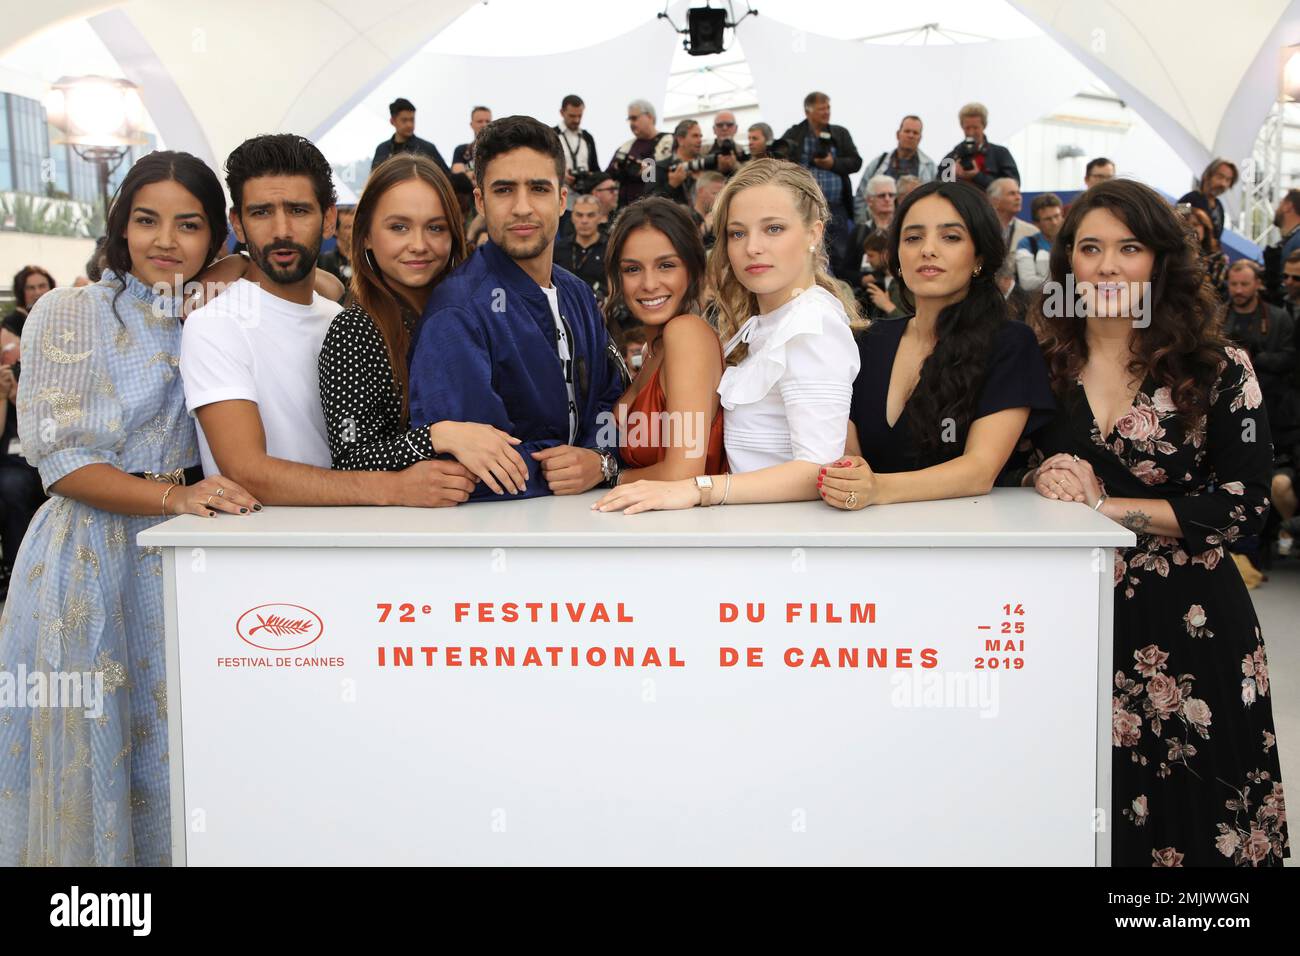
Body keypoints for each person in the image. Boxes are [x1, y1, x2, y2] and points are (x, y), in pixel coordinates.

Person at [0, 150, 258, 867]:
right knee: (92, 745)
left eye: (189, 225)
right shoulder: (70, 309)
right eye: (146, 220)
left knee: (169, 748)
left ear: (217, 237)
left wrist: (235, 275)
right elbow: (63, 463)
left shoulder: (203, 309)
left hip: (181, 554)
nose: (165, 241)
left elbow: (318, 282)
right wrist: (174, 495)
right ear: (119, 225)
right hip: (89, 557)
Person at [1028, 177, 1289, 867]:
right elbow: (994, 472)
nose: (1108, 265)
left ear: (1160, 263)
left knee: (1201, 821)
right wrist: (1037, 477)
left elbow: (1243, 505)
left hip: (1194, 626)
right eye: (1091, 248)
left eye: (1129, 247)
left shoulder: (1218, 367)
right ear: (1069, 266)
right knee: (1080, 814)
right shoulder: (1039, 366)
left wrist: (1105, 510)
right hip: (1067, 621)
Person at [181, 134, 474, 507]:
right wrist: (396, 488)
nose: (282, 230)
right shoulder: (215, 323)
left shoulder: (338, 315)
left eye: (299, 210)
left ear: (329, 219)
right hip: (266, 550)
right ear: (237, 224)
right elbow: (246, 471)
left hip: (361, 540)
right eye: (261, 212)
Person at [594, 159, 860, 514]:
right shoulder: (762, 326)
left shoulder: (813, 323)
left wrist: (698, 488)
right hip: (746, 530)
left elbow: (820, 470)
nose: (752, 247)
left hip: (779, 540)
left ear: (813, 233)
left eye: (774, 229)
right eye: (738, 233)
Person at [409, 115, 624, 501]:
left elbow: (610, 397)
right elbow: (474, 466)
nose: (522, 207)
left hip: (590, 520)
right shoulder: (458, 310)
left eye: (538, 188)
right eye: (505, 189)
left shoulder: (577, 293)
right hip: (501, 538)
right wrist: (566, 471)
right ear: (480, 200)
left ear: (561, 200)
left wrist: (600, 458)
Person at [819, 179, 1053, 511]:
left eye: (950, 237)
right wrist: (849, 476)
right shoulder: (867, 342)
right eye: (913, 237)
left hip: (966, 545)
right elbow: (850, 454)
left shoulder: (1009, 343)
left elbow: (979, 472)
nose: (928, 249)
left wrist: (877, 488)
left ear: (979, 258)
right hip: (867, 539)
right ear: (897, 258)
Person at [315, 155, 526, 496]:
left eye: (435, 227)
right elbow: (350, 457)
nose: (419, 244)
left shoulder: (483, 312)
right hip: (406, 537)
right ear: (366, 235)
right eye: (399, 227)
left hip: (507, 518)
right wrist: (440, 436)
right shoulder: (354, 331)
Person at [600, 197, 724, 481]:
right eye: (632, 269)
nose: (649, 283)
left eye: (666, 265)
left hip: (686, 523)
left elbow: (683, 472)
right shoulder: (653, 350)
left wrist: (604, 473)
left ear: (692, 270)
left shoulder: (686, 333)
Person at [779, 92, 862, 279]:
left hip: (837, 206)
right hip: (806, 207)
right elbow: (781, 163)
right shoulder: (794, 135)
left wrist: (833, 164)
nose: (826, 112)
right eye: (821, 109)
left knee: (841, 254)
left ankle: (844, 291)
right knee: (810, 252)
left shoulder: (839, 133)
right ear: (807, 112)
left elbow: (856, 162)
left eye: (828, 108)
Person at [854, 116, 936, 224]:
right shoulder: (878, 163)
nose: (911, 135)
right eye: (907, 131)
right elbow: (861, 196)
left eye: (915, 133)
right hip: (878, 229)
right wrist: (863, 227)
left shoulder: (930, 167)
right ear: (898, 134)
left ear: (920, 138)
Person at [607, 99, 673, 209]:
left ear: (650, 117)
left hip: (653, 207)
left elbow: (660, 172)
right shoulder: (626, 147)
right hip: (624, 209)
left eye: (634, 118)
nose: (632, 123)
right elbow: (609, 174)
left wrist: (643, 170)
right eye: (629, 119)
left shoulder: (667, 141)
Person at [942, 102, 1020, 189]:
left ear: (984, 126)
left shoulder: (1001, 154)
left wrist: (977, 176)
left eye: (975, 128)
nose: (971, 132)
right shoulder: (953, 156)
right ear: (962, 127)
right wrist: (953, 175)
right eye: (967, 128)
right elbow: (939, 187)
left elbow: (1014, 186)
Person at [371, 97, 450, 174]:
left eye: (412, 119)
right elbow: (374, 179)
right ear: (392, 121)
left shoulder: (427, 148)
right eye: (404, 120)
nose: (409, 125)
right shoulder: (382, 149)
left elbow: (447, 179)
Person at [554, 194, 609, 301]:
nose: (584, 221)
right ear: (572, 217)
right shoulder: (558, 248)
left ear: (600, 217)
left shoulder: (610, 248)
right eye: (579, 215)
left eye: (590, 215)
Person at [555, 94, 601, 208]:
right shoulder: (552, 135)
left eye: (580, 116)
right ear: (562, 112)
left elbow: (595, 168)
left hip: (585, 199)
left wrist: (589, 175)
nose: (576, 120)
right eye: (572, 116)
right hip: (559, 199)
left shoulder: (587, 137)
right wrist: (561, 174)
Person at [987, 177, 1038, 276]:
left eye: (1019, 193)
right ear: (994, 201)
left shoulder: (1031, 232)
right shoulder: (979, 228)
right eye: (1012, 193)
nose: (1018, 197)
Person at [1177, 158, 1238, 241]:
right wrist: (1197, 213)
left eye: (1228, 180)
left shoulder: (1219, 207)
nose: (1223, 184)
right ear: (1208, 175)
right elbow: (1177, 213)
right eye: (1220, 177)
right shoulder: (1192, 198)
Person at [1178, 205, 1229, 302]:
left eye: (1195, 224)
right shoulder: (1172, 255)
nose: (1190, 228)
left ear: (1205, 229)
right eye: (1185, 224)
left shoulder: (1218, 258)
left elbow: (1213, 288)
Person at [1015, 193, 1064, 292]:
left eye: (1057, 216)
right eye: (1048, 219)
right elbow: (1027, 283)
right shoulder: (1027, 243)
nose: (1054, 222)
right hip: (1040, 303)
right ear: (1036, 223)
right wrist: (1064, 282)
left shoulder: (1073, 241)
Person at [654, 119, 706, 207]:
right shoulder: (659, 167)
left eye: (700, 136)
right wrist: (671, 185)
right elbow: (650, 201)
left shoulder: (706, 165)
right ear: (680, 140)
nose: (700, 140)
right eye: (695, 136)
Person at [855, 231, 905, 320]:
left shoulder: (907, 283)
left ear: (886, 255)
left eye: (871, 256)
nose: (867, 261)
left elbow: (914, 324)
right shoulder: (875, 283)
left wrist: (887, 306)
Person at [1263, 188, 1300, 306]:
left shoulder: (1296, 241)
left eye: (1280, 203)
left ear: (1288, 206)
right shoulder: (1289, 240)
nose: (1276, 209)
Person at [2, 265, 54, 341]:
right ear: (21, 293)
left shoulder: (59, 316)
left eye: (42, 286)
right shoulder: (12, 322)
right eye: (30, 288)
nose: (37, 292)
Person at [316, 204, 355, 291]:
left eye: (356, 226)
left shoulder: (371, 260)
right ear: (335, 231)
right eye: (348, 227)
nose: (354, 231)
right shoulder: (323, 262)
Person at [451, 105, 492, 175]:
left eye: (487, 121)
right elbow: (459, 176)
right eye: (480, 121)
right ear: (471, 125)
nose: (484, 125)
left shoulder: (499, 149)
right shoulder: (461, 150)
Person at [690, 170, 726, 248]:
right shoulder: (686, 217)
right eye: (715, 193)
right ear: (700, 191)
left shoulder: (722, 217)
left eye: (722, 194)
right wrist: (703, 229)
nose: (720, 198)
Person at [705, 111, 745, 176]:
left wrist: (735, 165)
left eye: (729, 125)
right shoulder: (704, 151)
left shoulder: (744, 150)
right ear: (714, 129)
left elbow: (751, 176)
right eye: (719, 125)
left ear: (736, 128)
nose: (724, 128)